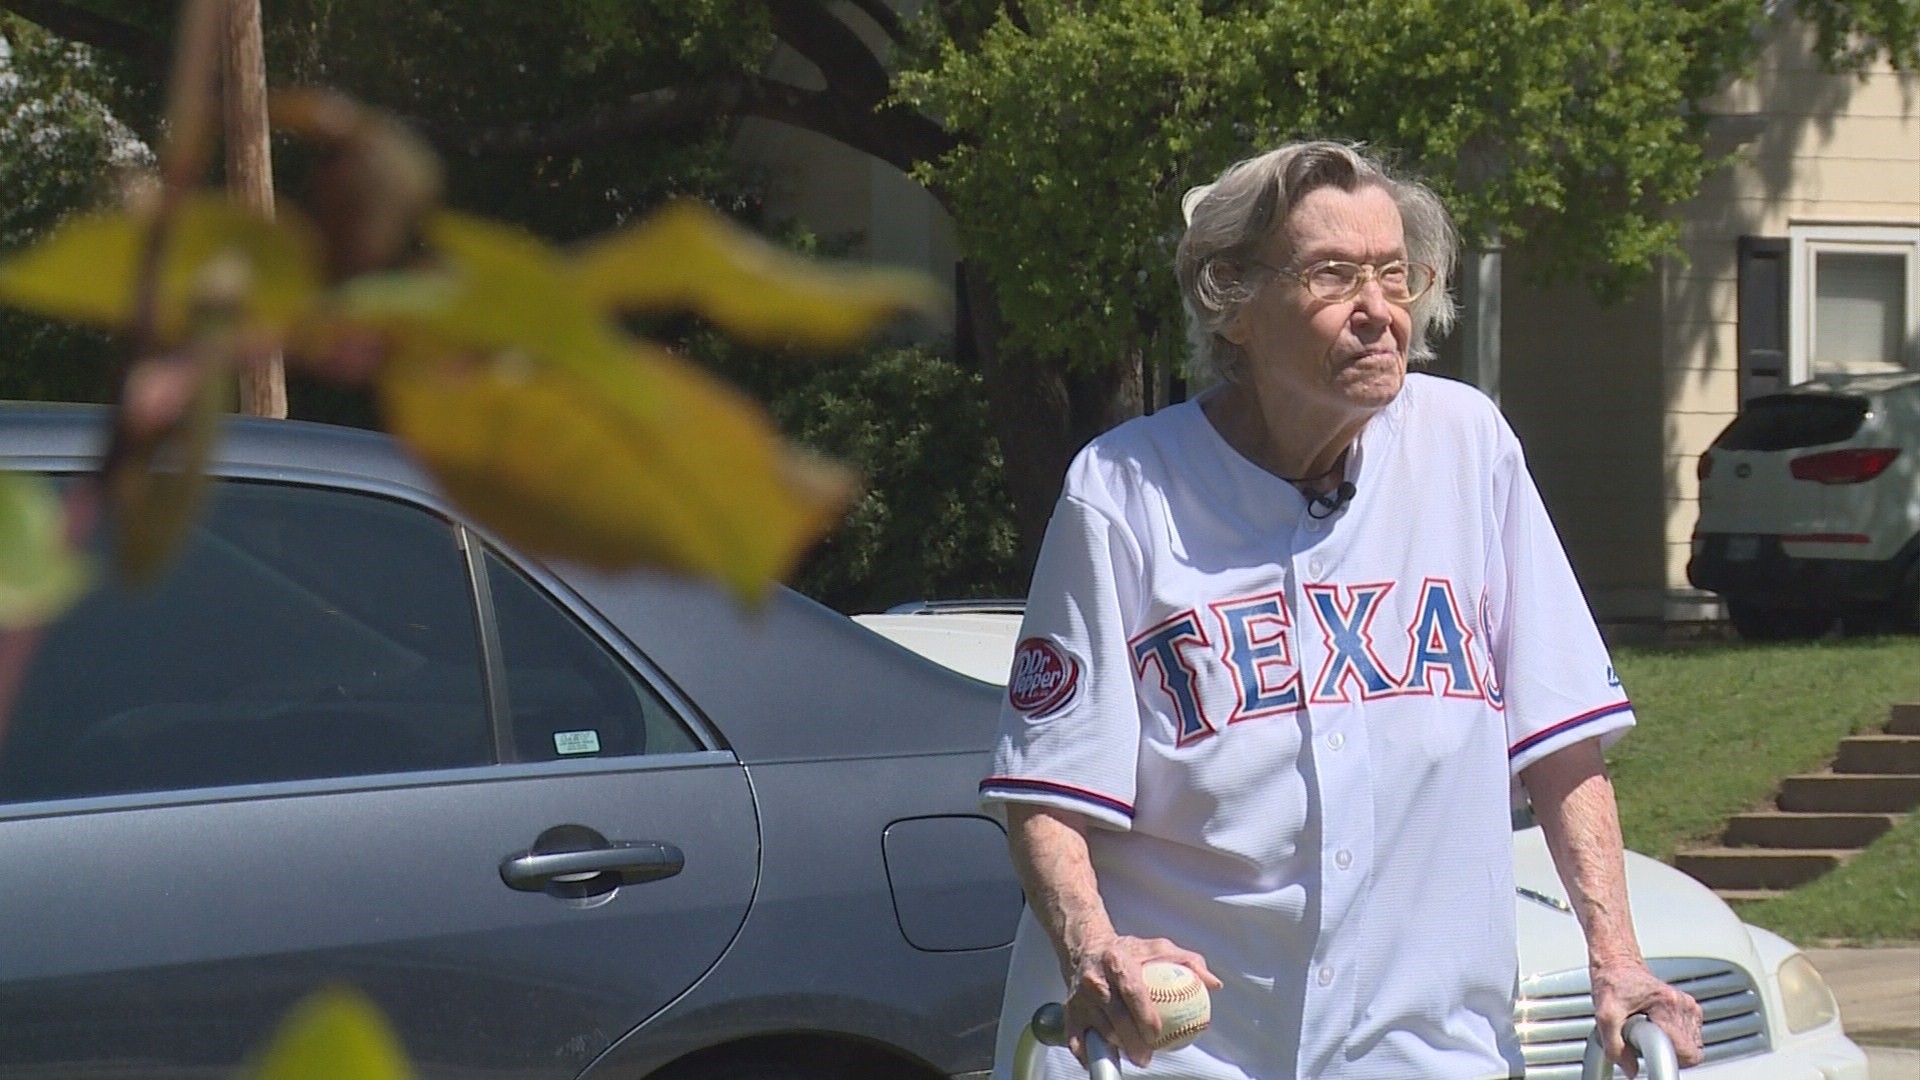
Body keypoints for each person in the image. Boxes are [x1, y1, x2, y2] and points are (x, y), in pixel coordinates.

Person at [982, 140, 1705, 1080]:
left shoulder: (1466, 448)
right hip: (1187, 1056)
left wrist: (1619, 961)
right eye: (1333, 277)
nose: (1378, 312)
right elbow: (1048, 793)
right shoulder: (1124, 491)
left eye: (1395, 276)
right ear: (1233, 302)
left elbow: (1562, 738)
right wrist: (1093, 951)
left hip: (1428, 1050)